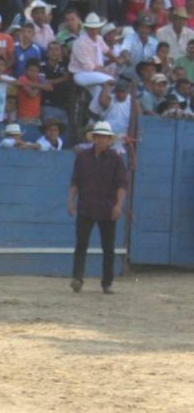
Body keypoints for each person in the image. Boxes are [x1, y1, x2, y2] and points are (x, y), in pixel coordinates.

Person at [68, 121, 128, 294]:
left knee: (108, 248)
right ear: (94, 138)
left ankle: (106, 283)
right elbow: (75, 182)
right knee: (81, 244)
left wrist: (118, 205)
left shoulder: (116, 159)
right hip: (87, 206)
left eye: (104, 137)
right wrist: (71, 202)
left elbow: (121, 185)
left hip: (107, 208)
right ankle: (78, 278)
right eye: (99, 136)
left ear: (109, 140)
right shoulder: (82, 157)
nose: (101, 139)